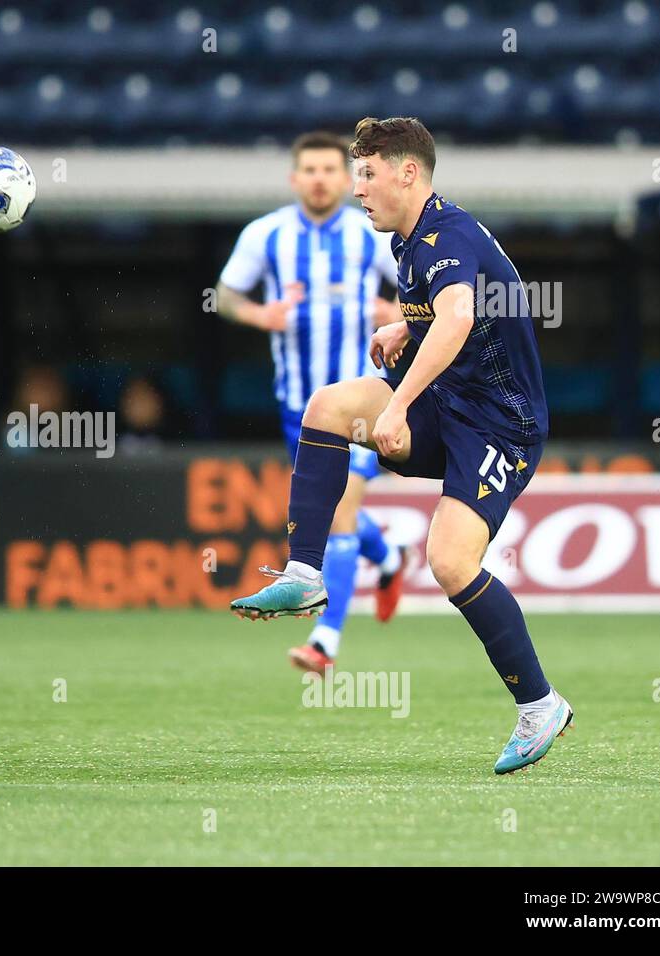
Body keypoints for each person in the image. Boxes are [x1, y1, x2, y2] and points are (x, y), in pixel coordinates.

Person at [230, 117, 572, 775]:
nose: (359, 190)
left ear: (406, 172)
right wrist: (400, 329)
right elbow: (451, 321)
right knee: (327, 407)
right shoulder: (411, 240)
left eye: (368, 174)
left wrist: (399, 401)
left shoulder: (448, 236)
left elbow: (460, 318)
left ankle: (539, 705)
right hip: (453, 406)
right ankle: (306, 574)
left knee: (450, 562)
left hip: (502, 426)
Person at [216, 130, 408, 676]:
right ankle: (389, 558)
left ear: (348, 180)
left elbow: (416, 288)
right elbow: (226, 295)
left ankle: (324, 642)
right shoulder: (266, 234)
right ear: (294, 178)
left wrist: (394, 315)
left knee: (339, 515)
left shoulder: (369, 233)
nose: (321, 178)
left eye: (331, 169)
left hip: (362, 399)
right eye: (311, 170)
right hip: (297, 405)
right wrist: (261, 315)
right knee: (333, 512)